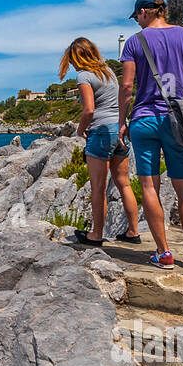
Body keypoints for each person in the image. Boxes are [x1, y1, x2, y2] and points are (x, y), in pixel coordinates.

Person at [118, 0, 183, 270]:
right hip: (176, 120)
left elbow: (126, 87)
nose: (136, 22)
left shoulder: (135, 42)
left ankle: (163, 253)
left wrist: (123, 121)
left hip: (144, 120)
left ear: (145, 12)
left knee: (149, 186)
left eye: (137, 17)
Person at [58, 37, 142, 246]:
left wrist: (80, 129)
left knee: (98, 187)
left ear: (77, 58)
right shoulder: (108, 72)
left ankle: (96, 234)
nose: (72, 65)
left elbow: (89, 109)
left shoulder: (84, 76)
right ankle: (133, 231)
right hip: (120, 129)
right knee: (123, 183)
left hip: (101, 132)